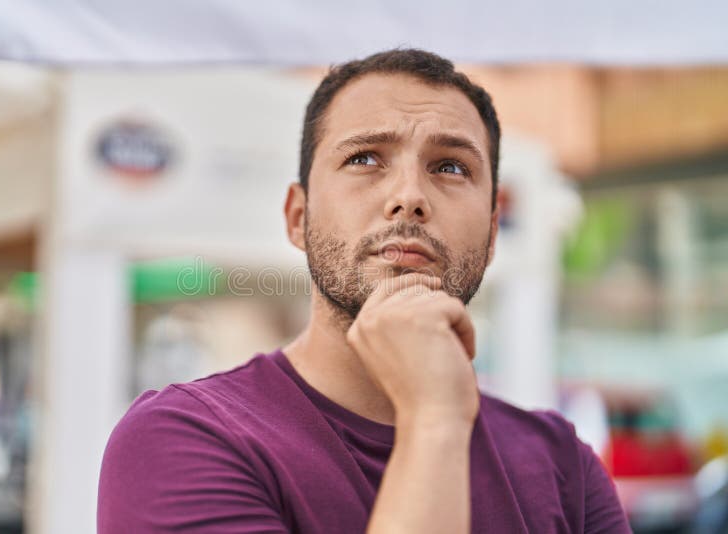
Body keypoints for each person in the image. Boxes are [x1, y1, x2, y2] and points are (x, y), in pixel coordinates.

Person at [97, 48, 631, 533]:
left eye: (450, 166)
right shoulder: (181, 440)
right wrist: (433, 418)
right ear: (299, 218)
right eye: (365, 158)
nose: (408, 197)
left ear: (492, 236)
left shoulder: (565, 467)